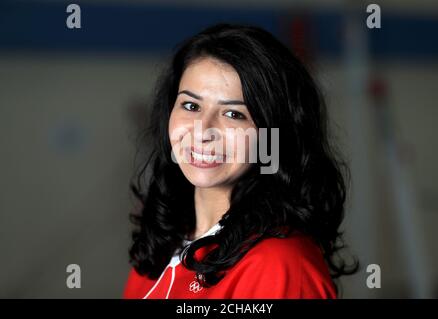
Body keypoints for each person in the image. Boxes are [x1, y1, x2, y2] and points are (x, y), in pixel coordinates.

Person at [123, 23, 357, 299]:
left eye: (234, 114)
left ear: (273, 133)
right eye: (191, 106)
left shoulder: (280, 265)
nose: (203, 130)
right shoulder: (161, 246)